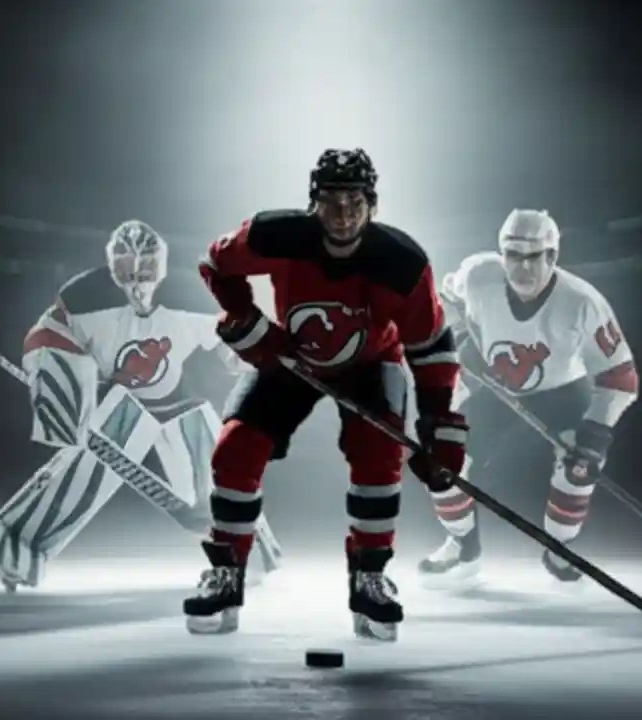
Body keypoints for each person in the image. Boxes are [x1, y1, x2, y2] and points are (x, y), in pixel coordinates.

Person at [184, 149, 467, 641]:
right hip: (292, 360)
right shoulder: (274, 235)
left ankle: (370, 576)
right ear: (313, 203)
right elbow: (215, 263)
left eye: (354, 201)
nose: (342, 215)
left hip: (370, 364)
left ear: (371, 204)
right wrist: (247, 321)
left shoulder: (401, 262)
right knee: (234, 449)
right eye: (331, 202)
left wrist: (438, 420)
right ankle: (227, 573)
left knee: (380, 457)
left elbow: (430, 344)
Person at [0, 219, 283, 592]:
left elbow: (234, 337)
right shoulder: (84, 297)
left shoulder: (190, 297)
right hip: (118, 407)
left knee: (218, 471)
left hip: (178, 405)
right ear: (112, 265)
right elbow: (49, 338)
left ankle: (246, 552)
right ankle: (19, 551)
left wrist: (262, 356)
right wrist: (61, 391)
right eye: (126, 268)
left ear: (163, 266)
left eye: (147, 267)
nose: (138, 279)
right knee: (78, 469)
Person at [417, 209, 640, 587]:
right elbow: (440, 300)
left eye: (533, 256)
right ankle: (463, 548)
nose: (522, 267)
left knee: (578, 469)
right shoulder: (478, 275)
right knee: (442, 462)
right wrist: (463, 337)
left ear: (552, 256)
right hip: (494, 387)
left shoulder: (582, 301)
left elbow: (621, 376)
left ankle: (559, 550)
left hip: (563, 393)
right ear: (501, 253)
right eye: (512, 255)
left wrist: (595, 435)